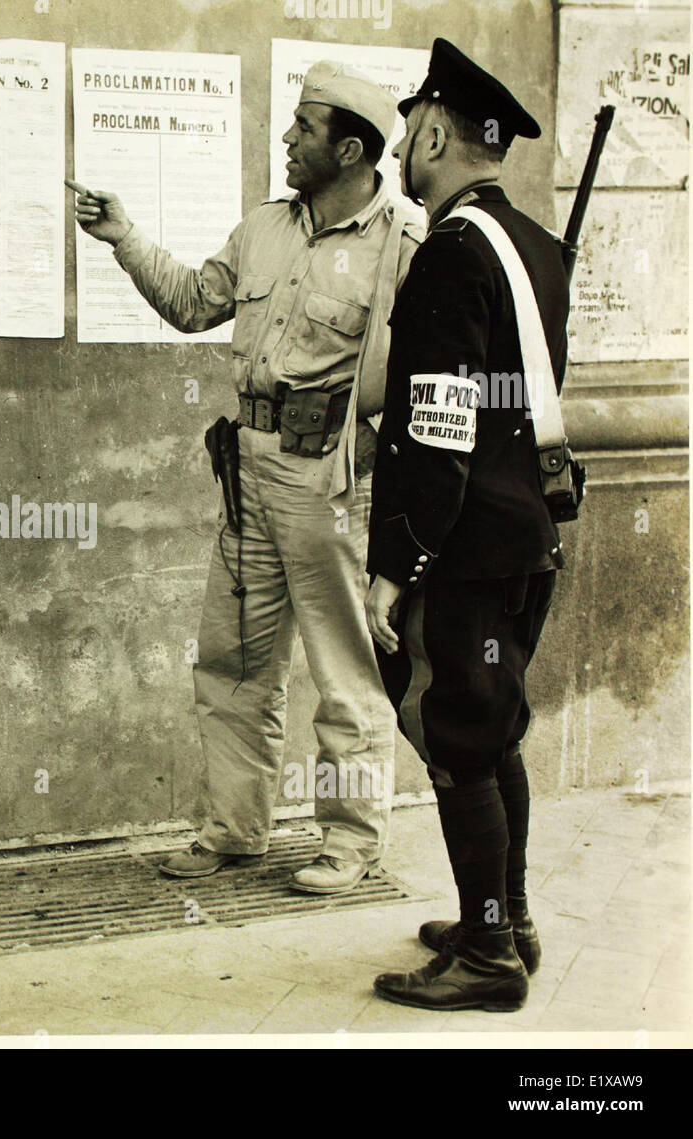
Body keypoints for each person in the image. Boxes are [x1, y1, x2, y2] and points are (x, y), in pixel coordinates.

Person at [72, 63, 421, 894]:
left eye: (303, 127)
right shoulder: (265, 228)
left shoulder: (402, 248)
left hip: (330, 484)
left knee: (345, 671)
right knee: (233, 663)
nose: (287, 140)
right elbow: (194, 302)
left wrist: (370, 469)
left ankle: (350, 839)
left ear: (350, 147)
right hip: (251, 477)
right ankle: (235, 828)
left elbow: (419, 382)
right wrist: (125, 237)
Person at [364, 38, 567, 1012]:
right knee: (495, 733)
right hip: (523, 531)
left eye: (408, 131)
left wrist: (396, 563)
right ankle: (505, 915)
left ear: (435, 130)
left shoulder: (451, 252)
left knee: (456, 736)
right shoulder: (533, 245)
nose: (402, 148)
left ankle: (486, 952)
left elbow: (437, 427)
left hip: (464, 545)